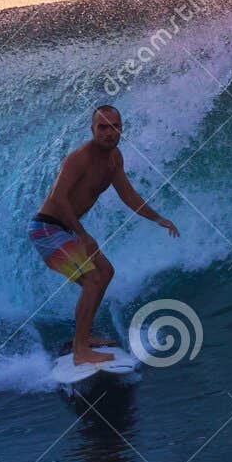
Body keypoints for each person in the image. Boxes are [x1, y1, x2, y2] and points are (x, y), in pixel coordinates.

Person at [28, 105, 179, 364]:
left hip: (62, 230)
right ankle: (80, 351)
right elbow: (58, 198)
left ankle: (83, 339)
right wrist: (83, 235)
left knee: (105, 273)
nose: (110, 132)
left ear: (122, 128)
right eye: (103, 127)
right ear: (92, 129)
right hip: (46, 229)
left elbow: (129, 195)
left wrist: (157, 218)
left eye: (115, 126)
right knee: (92, 280)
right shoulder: (80, 157)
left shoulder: (114, 159)